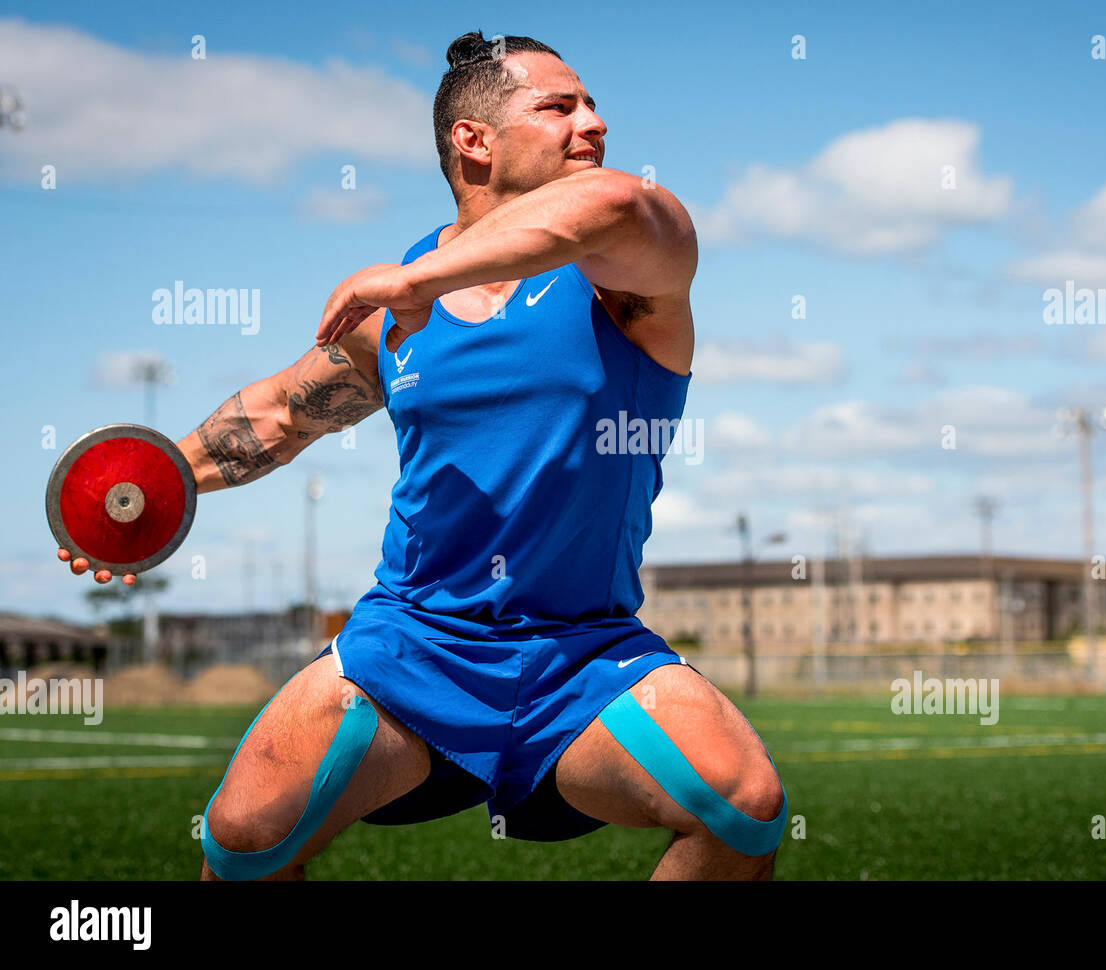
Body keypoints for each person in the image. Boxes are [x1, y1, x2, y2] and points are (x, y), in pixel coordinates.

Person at [58, 30, 787, 880]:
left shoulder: (625, 274)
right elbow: (286, 411)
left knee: (740, 804)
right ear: (472, 141)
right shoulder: (396, 312)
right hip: (414, 645)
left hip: (581, 654)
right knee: (244, 835)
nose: (593, 123)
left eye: (591, 105)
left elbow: (617, 207)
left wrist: (418, 284)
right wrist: (146, 488)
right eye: (559, 107)